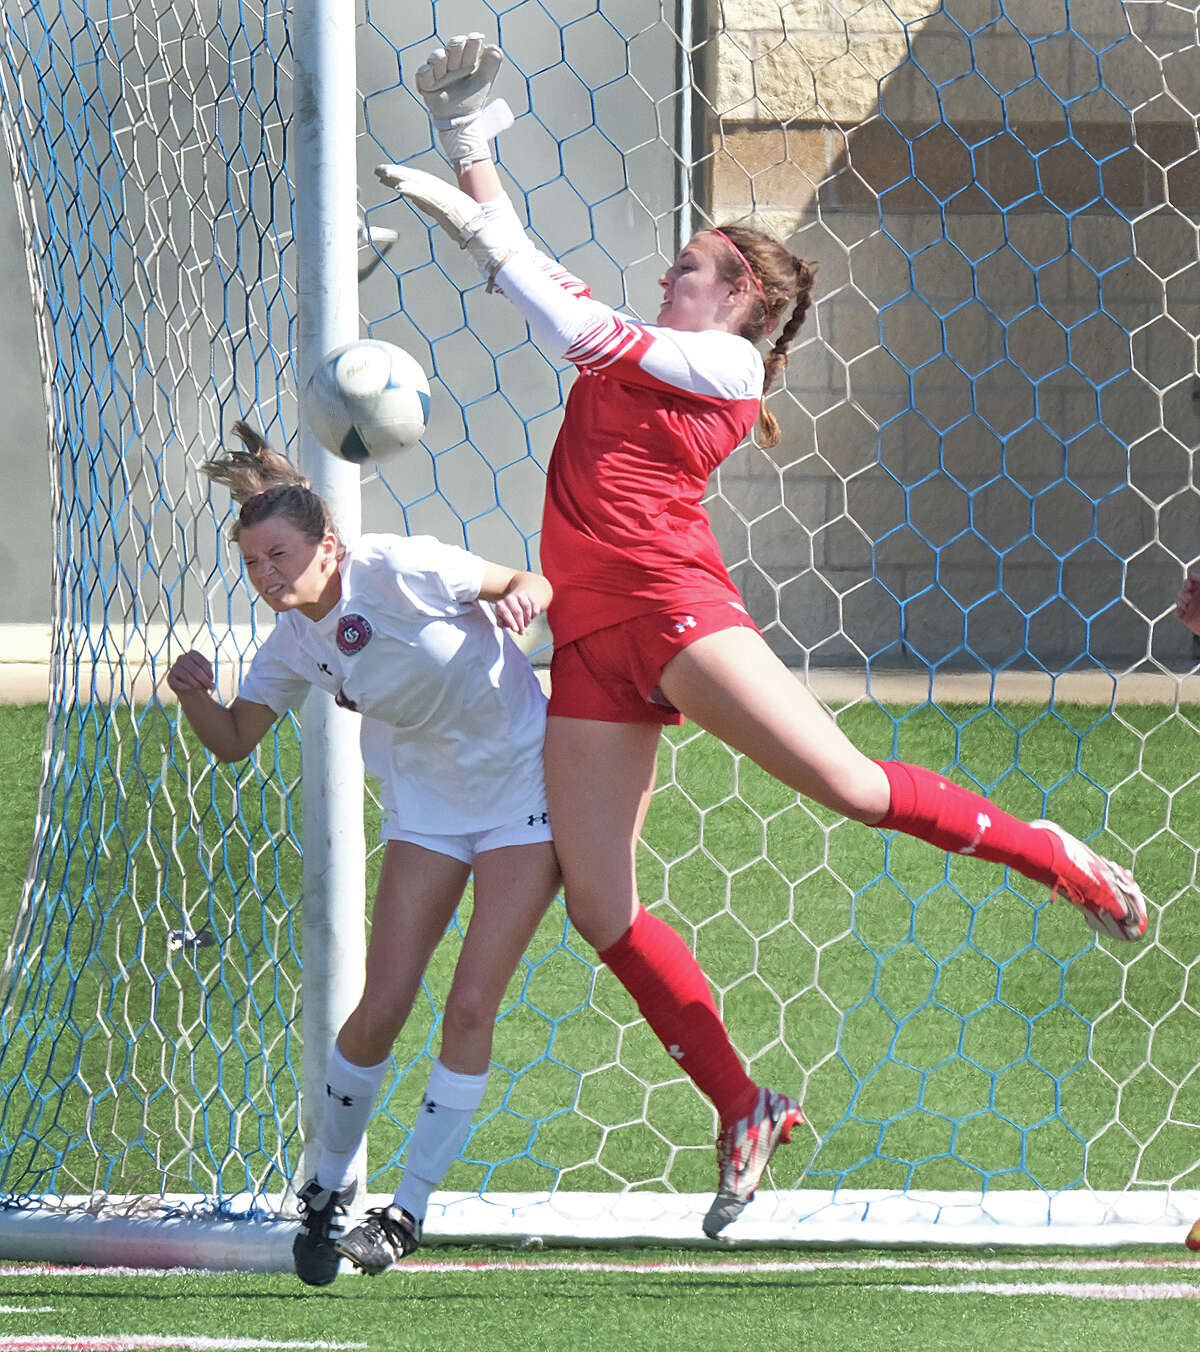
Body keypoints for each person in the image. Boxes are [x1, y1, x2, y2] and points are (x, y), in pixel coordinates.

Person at [378, 34, 1149, 1240]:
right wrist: (472, 150)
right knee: (598, 906)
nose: (669, 273)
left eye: (690, 263)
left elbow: (570, 312)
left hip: (675, 606)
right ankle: (744, 1103)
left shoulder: (725, 362)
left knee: (847, 782)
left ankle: (1050, 853)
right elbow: (550, 296)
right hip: (590, 636)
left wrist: (488, 220)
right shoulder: (645, 344)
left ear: (738, 293)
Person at [166, 422, 560, 1282]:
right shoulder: (292, 643)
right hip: (426, 806)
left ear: (328, 545)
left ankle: (406, 1211)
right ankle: (326, 1185)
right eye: (254, 565)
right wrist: (194, 693)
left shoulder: (398, 567)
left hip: (523, 791)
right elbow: (234, 739)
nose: (269, 576)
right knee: (382, 1004)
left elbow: (527, 578)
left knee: (468, 1007)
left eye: (280, 555)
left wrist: (527, 599)